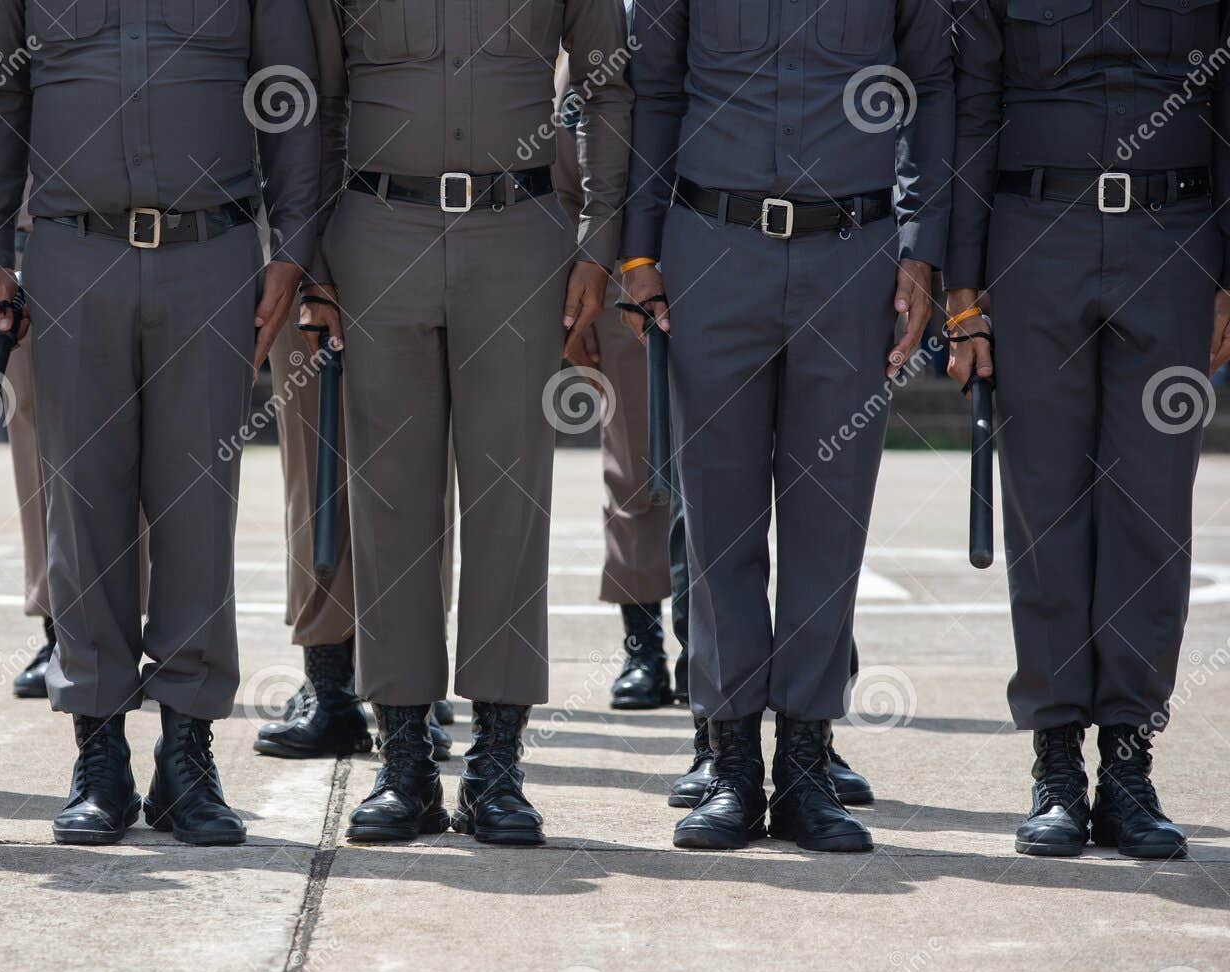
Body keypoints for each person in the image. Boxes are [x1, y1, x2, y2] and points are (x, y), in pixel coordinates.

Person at [0, 0, 320, 846]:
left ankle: (187, 757)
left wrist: (294, 245)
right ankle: (99, 756)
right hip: (71, 255)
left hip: (212, 254)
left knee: (198, 505)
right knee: (81, 505)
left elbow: (290, 95)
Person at [621, 0, 951, 852]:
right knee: (720, 521)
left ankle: (805, 766)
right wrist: (638, 254)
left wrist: (920, 247)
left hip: (853, 258)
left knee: (827, 522)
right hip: (711, 248)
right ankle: (731, 765)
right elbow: (653, 91)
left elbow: (932, 89)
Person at [303, 0, 632, 848]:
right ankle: (404, 759)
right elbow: (316, 102)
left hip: (519, 235)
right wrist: (307, 256)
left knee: (508, 502)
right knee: (390, 502)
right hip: (378, 231)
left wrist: (598, 240)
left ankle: (496, 763)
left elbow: (606, 85)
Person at [946, 0, 1230, 859]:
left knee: (1150, 510)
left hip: (1174, 243)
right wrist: (962, 285)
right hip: (1036, 238)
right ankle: (1058, 763)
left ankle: (1130, 765)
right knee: (1045, 505)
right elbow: (973, 104)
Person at [252, 313, 458, 762]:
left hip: (414, 249)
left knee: (417, 463)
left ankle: (412, 687)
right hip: (306, 254)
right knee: (314, 464)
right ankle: (330, 689)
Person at [551, 51, 676, 714]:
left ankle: (725, 650)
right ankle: (644, 647)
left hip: (724, 261)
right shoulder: (598, 44)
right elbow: (564, 180)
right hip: (619, 283)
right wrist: (574, 302)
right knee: (635, 465)